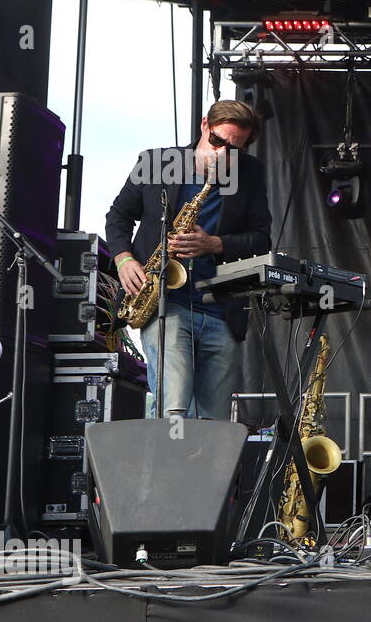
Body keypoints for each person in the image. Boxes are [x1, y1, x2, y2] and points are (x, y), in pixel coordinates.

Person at [106, 100, 272, 419]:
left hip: (222, 309)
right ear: (204, 125)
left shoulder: (250, 172)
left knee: (214, 421)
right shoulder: (156, 162)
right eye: (218, 142)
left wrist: (214, 244)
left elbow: (261, 238)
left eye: (234, 149)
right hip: (166, 303)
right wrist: (125, 259)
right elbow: (118, 216)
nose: (223, 154)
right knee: (175, 410)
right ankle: (167, 466)